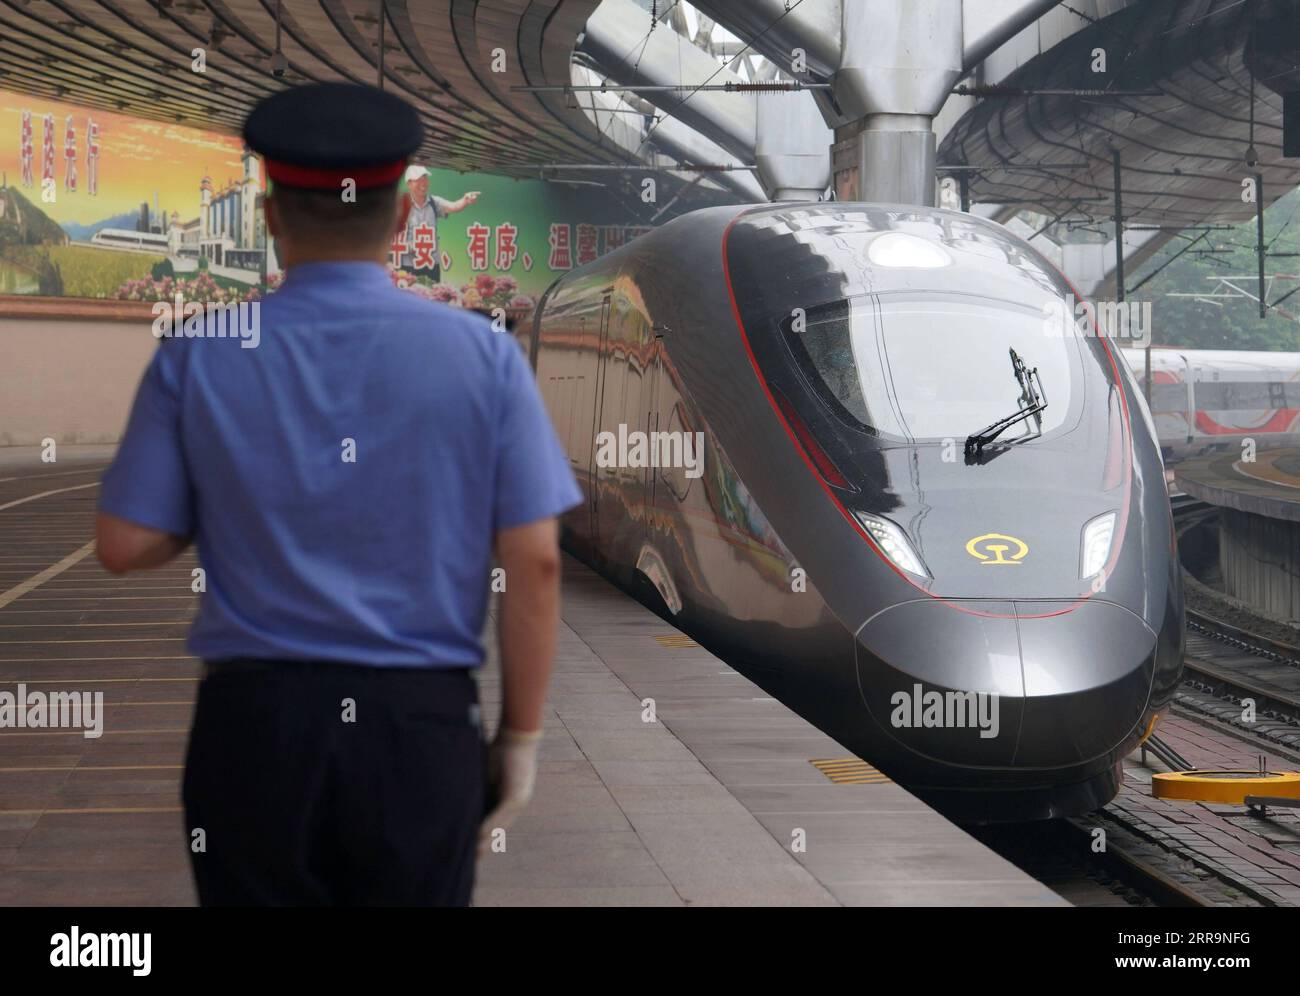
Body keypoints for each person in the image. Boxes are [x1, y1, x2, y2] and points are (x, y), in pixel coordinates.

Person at [95, 81, 581, 906]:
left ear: (271, 214)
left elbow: (124, 543)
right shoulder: (484, 355)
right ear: (400, 221)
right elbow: (533, 564)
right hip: (418, 730)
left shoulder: (201, 351)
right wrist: (520, 739)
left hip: (252, 732)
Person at [398, 164, 478, 280]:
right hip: (408, 264)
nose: (423, 183)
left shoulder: (434, 202)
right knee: (407, 296)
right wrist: (408, 246)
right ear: (409, 183)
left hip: (431, 263)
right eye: (418, 180)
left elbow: (453, 206)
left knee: (433, 295)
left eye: (425, 178)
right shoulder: (402, 205)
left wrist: (465, 200)